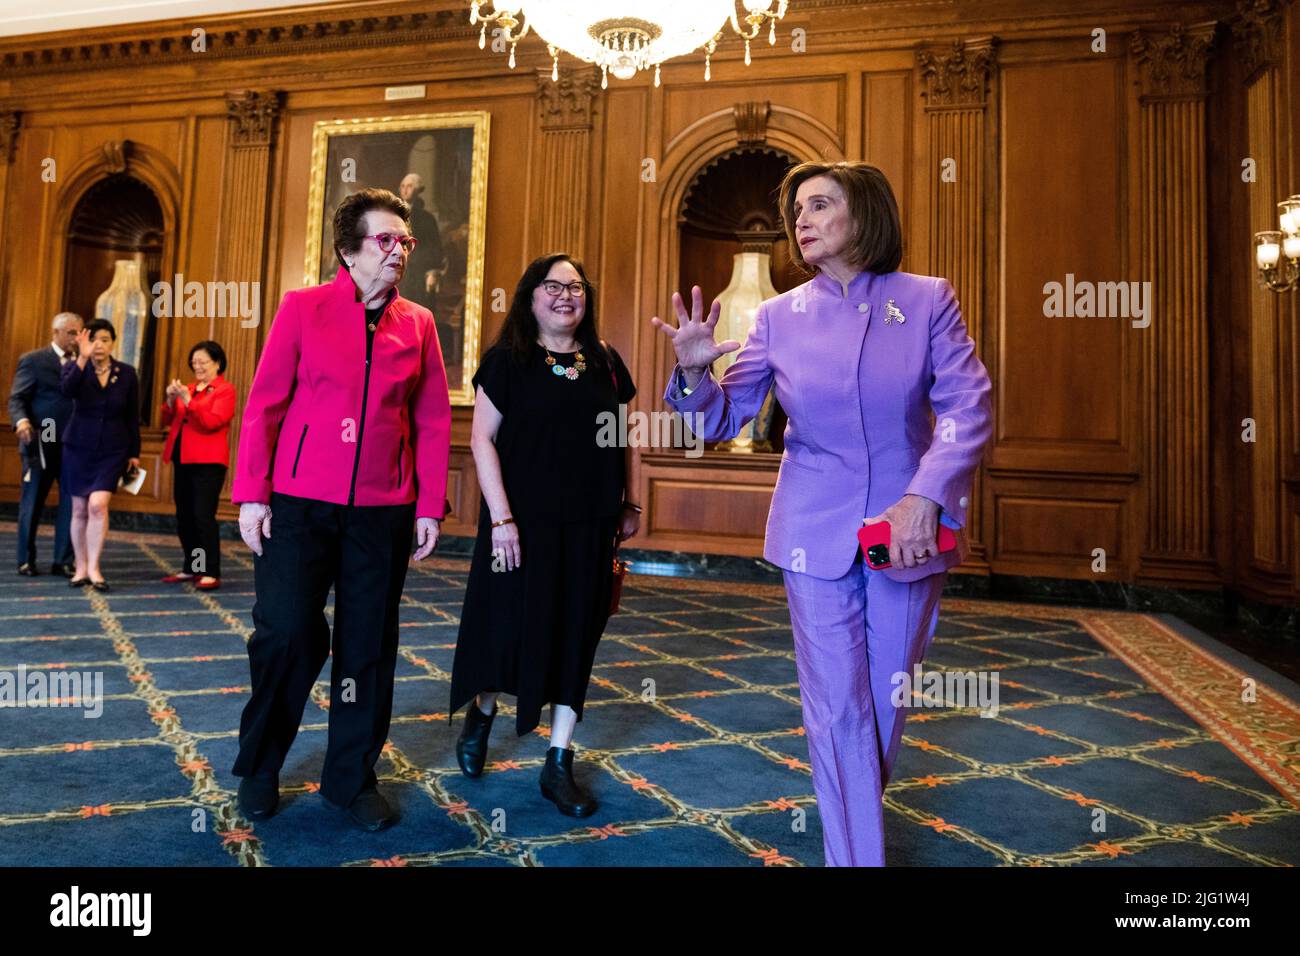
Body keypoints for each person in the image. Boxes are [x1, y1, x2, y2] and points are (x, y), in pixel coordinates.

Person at [653, 161, 993, 866]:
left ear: (863, 213)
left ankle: (850, 833)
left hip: (908, 532)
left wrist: (924, 495)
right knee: (836, 707)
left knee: (884, 703)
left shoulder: (927, 299)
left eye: (819, 204)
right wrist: (692, 374)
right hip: (812, 533)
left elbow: (968, 409)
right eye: (796, 211)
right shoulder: (778, 316)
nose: (801, 220)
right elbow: (721, 421)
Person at [231, 187, 452, 832]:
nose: (399, 251)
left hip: (382, 509)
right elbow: (265, 404)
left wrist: (429, 505)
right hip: (298, 504)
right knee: (287, 634)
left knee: (369, 647)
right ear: (348, 251)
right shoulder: (302, 309)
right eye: (386, 240)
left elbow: (432, 419)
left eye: (405, 241)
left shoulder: (419, 323)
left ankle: (350, 777)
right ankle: (262, 765)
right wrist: (252, 493)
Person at [449, 253, 639, 818]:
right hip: (519, 524)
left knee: (576, 632)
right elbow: (482, 441)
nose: (565, 296)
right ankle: (482, 712)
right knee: (506, 625)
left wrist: (625, 500)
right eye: (552, 286)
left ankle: (558, 761)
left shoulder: (604, 361)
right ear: (530, 296)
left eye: (576, 287)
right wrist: (502, 520)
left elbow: (616, 435)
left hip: (589, 524)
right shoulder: (507, 361)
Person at [59, 319, 142, 593]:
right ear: (85, 342)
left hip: (113, 449)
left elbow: (132, 416)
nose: (99, 345)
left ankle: (95, 567)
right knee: (80, 508)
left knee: (98, 504)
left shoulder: (127, 373)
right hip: (78, 447)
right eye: (94, 339)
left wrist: (135, 453)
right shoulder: (75, 368)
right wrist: (81, 359)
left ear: (112, 343)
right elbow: (66, 392)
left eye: (105, 339)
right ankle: (80, 567)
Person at [8, 312, 82, 577]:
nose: (76, 338)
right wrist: (22, 422)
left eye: (79, 333)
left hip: (73, 446)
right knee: (33, 501)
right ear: (56, 333)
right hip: (40, 441)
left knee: (71, 503)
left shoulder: (83, 364)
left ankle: (63, 560)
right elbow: (17, 399)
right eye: (71, 333)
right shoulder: (33, 360)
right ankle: (25, 559)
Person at [159, 341, 236, 590]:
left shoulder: (224, 390)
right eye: (194, 363)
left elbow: (212, 421)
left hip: (208, 463)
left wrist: (188, 401)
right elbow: (167, 419)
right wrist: (171, 400)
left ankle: (210, 570)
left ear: (217, 363)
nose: (198, 366)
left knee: (203, 516)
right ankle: (193, 567)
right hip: (182, 459)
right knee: (185, 516)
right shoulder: (189, 388)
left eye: (203, 362)